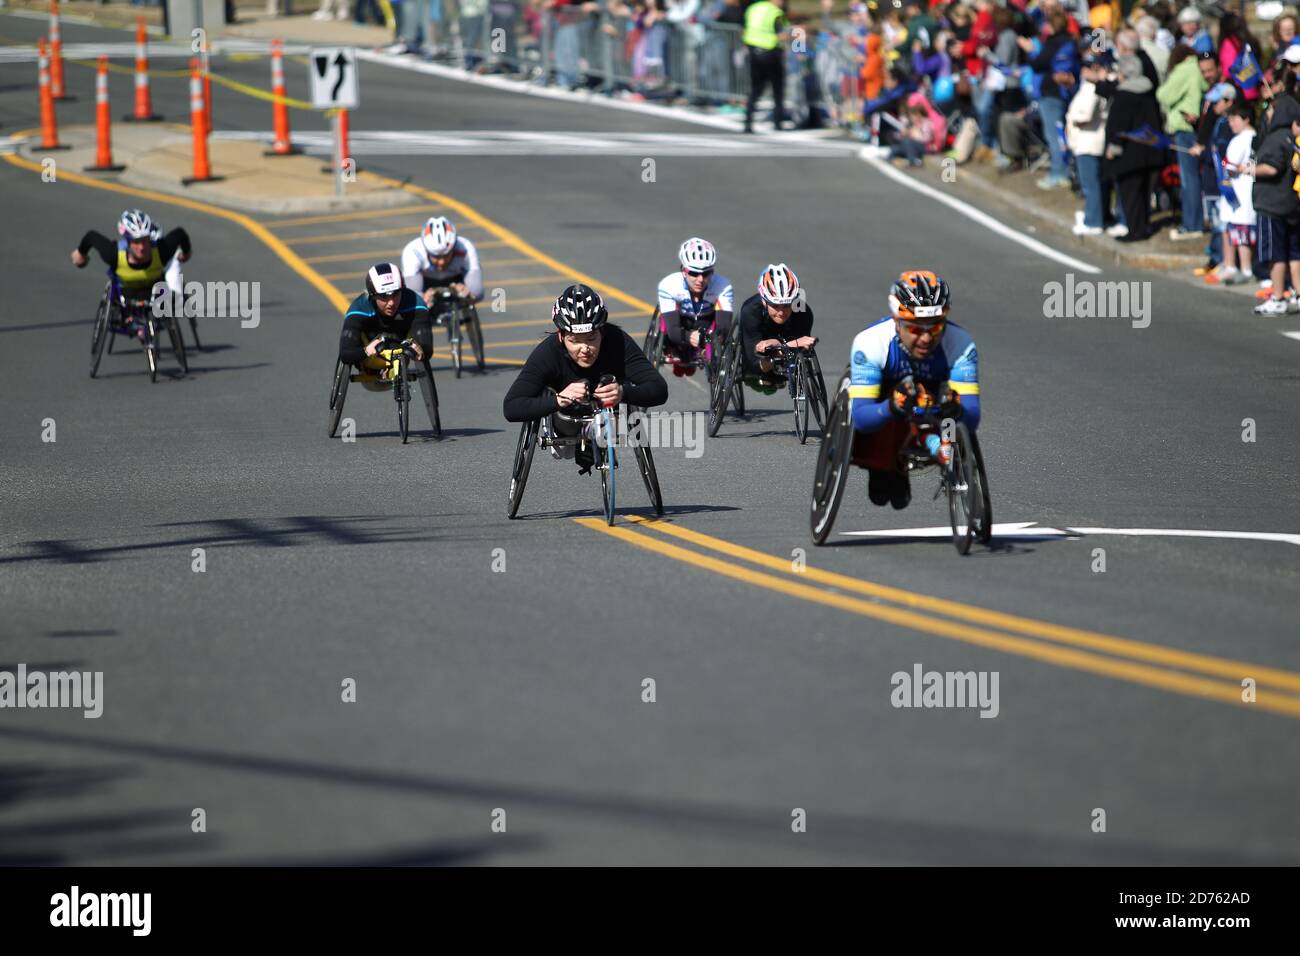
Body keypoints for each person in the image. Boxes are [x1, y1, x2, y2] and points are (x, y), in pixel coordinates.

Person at [847, 270, 979, 511]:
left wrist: (956, 410)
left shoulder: (961, 344)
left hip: (936, 398)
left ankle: (935, 447)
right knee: (881, 490)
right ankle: (882, 464)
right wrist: (892, 407)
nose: (927, 337)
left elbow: (972, 417)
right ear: (897, 321)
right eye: (916, 329)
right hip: (887, 397)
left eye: (936, 328)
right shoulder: (870, 343)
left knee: (950, 409)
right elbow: (861, 419)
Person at [502, 284, 668, 472]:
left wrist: (623, 392)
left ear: (602, 332)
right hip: (566, 419)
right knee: (566, 444)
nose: (584, 348)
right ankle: (586, 436)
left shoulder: (618, 342)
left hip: (609, 413)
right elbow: (511, 407)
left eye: (591, 338)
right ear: (561, 336)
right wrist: (559, 400)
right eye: (574, 340)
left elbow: (659, 389)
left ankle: (595, 434)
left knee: (615, 407)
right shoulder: (547, 353)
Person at [71, 209, 192, 342]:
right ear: (127, 241)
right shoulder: (114, 253)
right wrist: (80, 254)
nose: (142, 247)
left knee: (173, 299)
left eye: (145, 240)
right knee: (125, 304)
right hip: (126, 295)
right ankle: (129, 320)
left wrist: (186, 254)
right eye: (136, 242)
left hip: (153, 291)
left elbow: (180, 234)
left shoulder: (161, 250)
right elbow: (91, 236)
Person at [337, 263, 432, 391]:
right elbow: (345, 354)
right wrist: (365, 351)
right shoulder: (359, 308)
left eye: (395, 294)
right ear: (373, 295)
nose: (391, 302)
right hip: (369, 357)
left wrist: (421, 349)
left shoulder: (415, 303)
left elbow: (427, 349)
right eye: (384, 296)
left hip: (401, 350)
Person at [1104, 54, 1165, 243]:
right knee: (1145, 192)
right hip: (1149, 149)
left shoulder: (1125, 95)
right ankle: (1144, 226)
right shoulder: (1148, 91)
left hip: (1129, 153)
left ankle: (1134, 230)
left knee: (1130, 194)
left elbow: (1118, 124)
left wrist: (1113, 148)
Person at [1249, 94, 1300, 315]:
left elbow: (1271, 167)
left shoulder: (1276, 138)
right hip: (1293, 205)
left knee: (1275, 255)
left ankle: (1278, 297)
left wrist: (1247, 170)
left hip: (1272, 205)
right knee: (1295, 254)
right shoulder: (1294, 139)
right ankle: (1298, 294)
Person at [655, 238, 734, 377]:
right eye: (694, 273)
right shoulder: (668, 285)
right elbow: (673, 330)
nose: (700, 279)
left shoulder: (723, 286)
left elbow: (724, 327)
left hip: (707, 323)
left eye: (706, 273)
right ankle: (680, 356)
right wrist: (689, 336)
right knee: (672, 340)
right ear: (684, 271)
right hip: (681, 322)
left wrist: (713, 340)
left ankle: (698, 353)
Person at [737, 263, 815, 394]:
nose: (781, 312)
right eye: (775, 305)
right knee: (755, 373)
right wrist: (781, 347)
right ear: (764, 301)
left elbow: (803, 349)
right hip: (762, 346)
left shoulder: (804, 311)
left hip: (787, 337)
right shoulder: (750, 310)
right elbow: (754, 363)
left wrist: (781, 346)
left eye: (786, 305)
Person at [1156, 45, 1209, 239]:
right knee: (1195, 178)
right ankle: (1195, 222)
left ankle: (1191, 225)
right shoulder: (1200, 69)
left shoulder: (1184, 69)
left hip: (1184, 128)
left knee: (1189, 180)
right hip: (1197, 128)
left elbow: (1163, 95)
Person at [399, 216, 483, 320]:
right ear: (427, 251)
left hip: (456, 280)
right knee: (413, 303)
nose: (441, 262)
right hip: (425, 283)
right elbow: (412, 293)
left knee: (476, 293)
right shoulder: (412, 251)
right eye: (436, 257)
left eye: (446, 255)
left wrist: (468, 292)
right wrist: (422, 299)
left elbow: (477, 292)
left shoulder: (465, 247)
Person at [1067, 50, 1113, 235]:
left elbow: (1085, 114)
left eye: (1087, 67)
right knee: (1097, 184)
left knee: (1090, 185)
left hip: (1088, 141)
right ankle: (1095, 216)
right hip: (1093, 140)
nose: (1083, 71)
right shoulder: (1095, 84)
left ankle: (1093, 221)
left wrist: (1074, 120)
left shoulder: (1094, 87)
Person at [1213, 100, 1257, 287]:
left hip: (1238, 193)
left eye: (1234, 120)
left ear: (1246, 119)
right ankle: (1231, 266)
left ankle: (1245, 269)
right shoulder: (1255, 136)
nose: (1231, 124)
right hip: (1237, 192)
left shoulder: (1242, 139)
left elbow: (1230, 166)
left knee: (1240, 233)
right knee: (1231, 230)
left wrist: (1221, 162)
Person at [742, 0, 791, 133]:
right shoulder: (775, 13)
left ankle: (748, 122)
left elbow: (745, 29)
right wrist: (796, 34)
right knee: (778, 90)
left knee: (755, 89)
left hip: (753, 52)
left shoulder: (753, 8)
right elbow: (781, 35)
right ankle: (778, 123)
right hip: (771, 53)